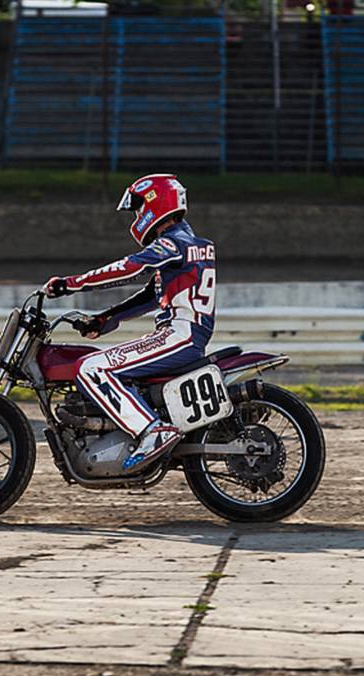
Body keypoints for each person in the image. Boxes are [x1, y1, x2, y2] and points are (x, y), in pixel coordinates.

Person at [44, 173, 217, 471]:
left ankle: (151, 431)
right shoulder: (188, 244)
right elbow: (151, 296)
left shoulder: (172, 244)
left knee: (91, 369)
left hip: (179, 336)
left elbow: (129, 268)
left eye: (139, 207)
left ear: (155, 203)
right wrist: (106, 319)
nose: (137, 215)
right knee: (103, 365)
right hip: (184, 335)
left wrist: (71, 284)